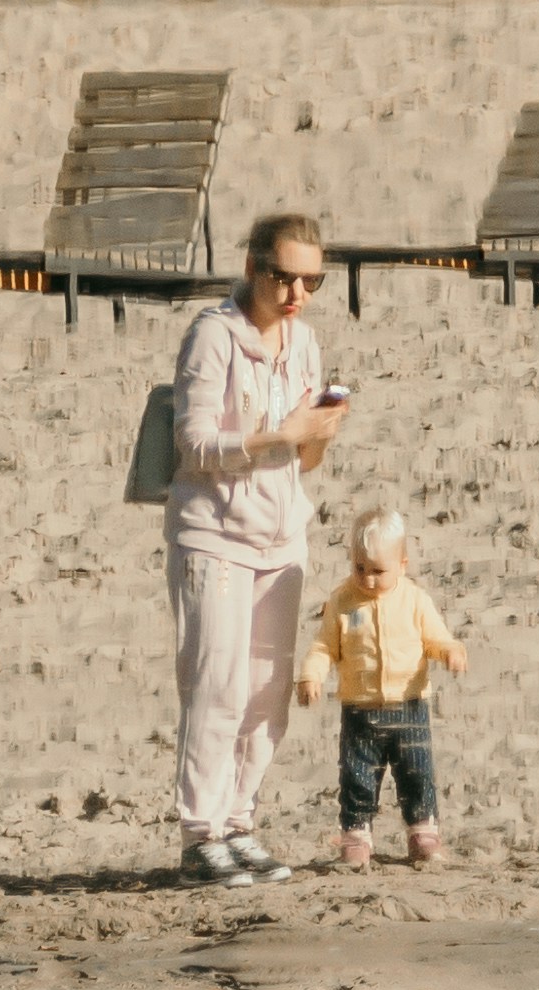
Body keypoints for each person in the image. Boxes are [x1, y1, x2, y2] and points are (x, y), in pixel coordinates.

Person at [161, 212, 340, 885]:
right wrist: (278, 434)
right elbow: (195, 445)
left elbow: (307, 461)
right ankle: (199, 832)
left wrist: (319, 430)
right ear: (253, 268)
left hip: (281, 532)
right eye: (283, 277)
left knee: (267, 691)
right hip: (212, 531)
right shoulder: (213, 336)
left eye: (311, 281)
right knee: (218, 684)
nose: (296, 293)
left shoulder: (305, 342)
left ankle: (239, 820)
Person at [306, 509, 467, 871]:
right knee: (358, 775)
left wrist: (451, 651)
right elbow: (324, 647)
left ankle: (423, 830)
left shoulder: (414, 600)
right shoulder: (343, 602)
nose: (369, 579)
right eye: (360, 568)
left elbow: (436, 637)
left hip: (409, 705)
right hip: (360, 709)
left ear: (402, 564)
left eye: (379, 571)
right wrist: (311, 676)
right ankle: (356, 834)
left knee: (417, 772)